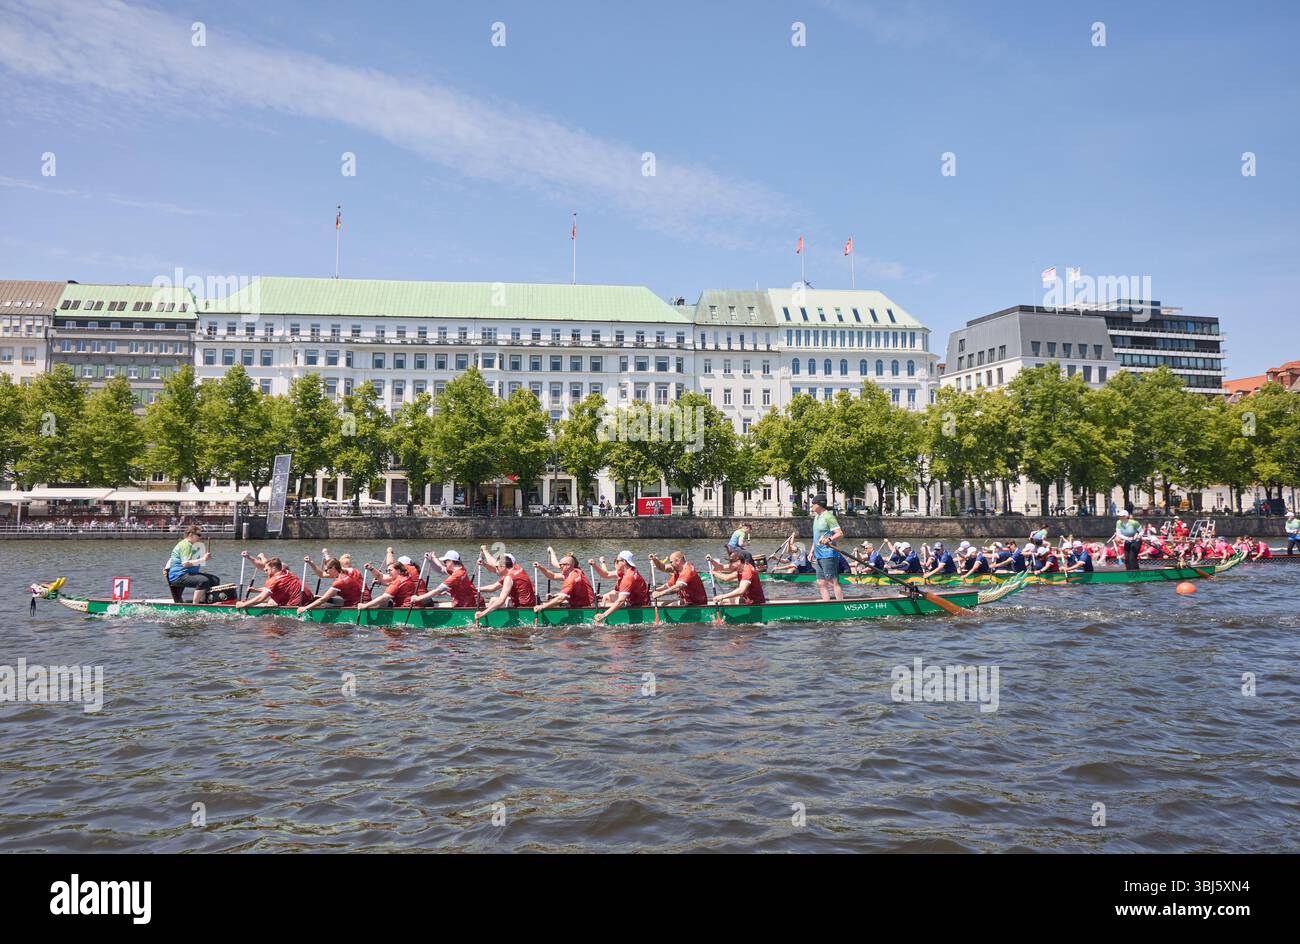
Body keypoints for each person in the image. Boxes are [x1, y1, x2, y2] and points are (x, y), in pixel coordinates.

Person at [476, 546, 537, 620]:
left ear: (503, 566)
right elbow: (493, 587)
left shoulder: (509, 578)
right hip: (530, 602)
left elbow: (501, 600)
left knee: (493, 601)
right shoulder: (518, 568)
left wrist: (482, 614)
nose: (496, 570)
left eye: (497, 567)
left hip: (523, 608)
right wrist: (476, 589)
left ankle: (490, 620)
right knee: (494, 599)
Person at [166, 525, 220, 602]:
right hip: (179, 576)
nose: (200, 537)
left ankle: (207, 601)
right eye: (198, 535)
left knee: (215, 580)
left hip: (188, 574)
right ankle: (195, 604)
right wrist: (203, 559)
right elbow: (185, 564)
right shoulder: (185, 545)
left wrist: (203, 559)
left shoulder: (193, 546)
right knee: (203, 581)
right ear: (191, 535)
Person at [411, 550, 482, 608]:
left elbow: (436, 591)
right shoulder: (460, 568)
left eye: (445, 561)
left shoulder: (456, 575)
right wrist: (432, 559)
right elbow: (441, 568)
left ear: (451, 561)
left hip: (468, 605)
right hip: (469, 601)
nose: (444, 563)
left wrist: (418, 598)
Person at [593, 550, 648, 623]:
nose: (615, 563)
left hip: (639, 607)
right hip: (634, 601)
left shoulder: (629, 577)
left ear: (624, 562)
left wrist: (603, 615)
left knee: (603, 603)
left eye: (617, 561)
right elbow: (606, 574)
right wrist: (594, 565)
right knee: (605, 598)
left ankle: (605, 620)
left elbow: (621, 602)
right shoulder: (627, 571)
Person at [237, 556, 309, 609]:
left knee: (271, 602)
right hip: (308, 599)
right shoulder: (287, 572)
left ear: (274, 568)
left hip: (298, 604)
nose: (265, 570)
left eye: (267, 569)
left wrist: (243, 604)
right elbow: (274, 588)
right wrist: (256, 590)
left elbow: (261, 598)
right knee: (273, 601)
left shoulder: (273, 580)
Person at [810, 494, 844, 602]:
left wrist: (829, 539)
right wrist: (811, 552)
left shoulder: (828, 516)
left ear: (819, 505)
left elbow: (840, 534)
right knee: (820, 582)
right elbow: (816, 537)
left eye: (813, 504)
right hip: (818, 555)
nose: (811, 506)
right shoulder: (816, 517)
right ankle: (826, 603)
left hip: (829, 554)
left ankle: (840, 604)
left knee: (832, 581)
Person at [298, 558, 363, 613]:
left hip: (353, 606)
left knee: (321, 602)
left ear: (333, 568)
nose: (326, 572)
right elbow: (321, 574)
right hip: (354, 601)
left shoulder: (338, 582)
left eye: (326, 570)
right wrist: (310, 562)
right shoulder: (344, 573)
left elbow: (323, 599)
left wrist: (305, 608)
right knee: (318, 599)